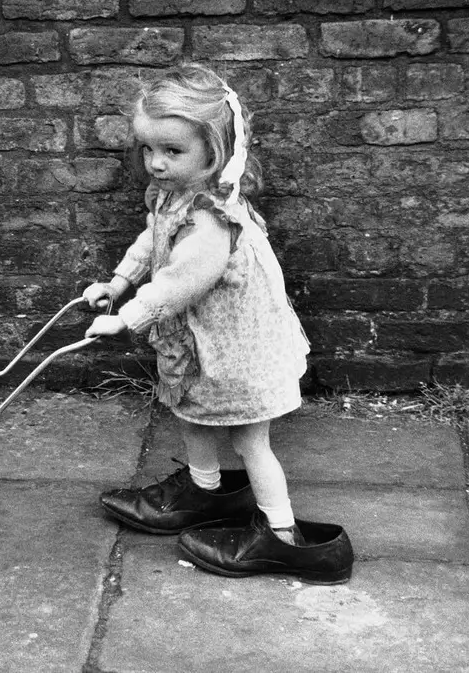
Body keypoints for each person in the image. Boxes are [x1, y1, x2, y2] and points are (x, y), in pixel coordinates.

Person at [82, 63, 353, 583]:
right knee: (191, 413)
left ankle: (285, 536)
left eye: (172, 151)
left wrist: (128, 317)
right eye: (147, 149)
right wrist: (118, 282)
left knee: (252, 442)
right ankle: (205, 490)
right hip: (207, 345)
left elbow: (183, 281)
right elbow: (152, 241)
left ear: (215, 149)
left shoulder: (210, 220)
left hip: (239, 353)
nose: (156, 163)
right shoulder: (173, 197)